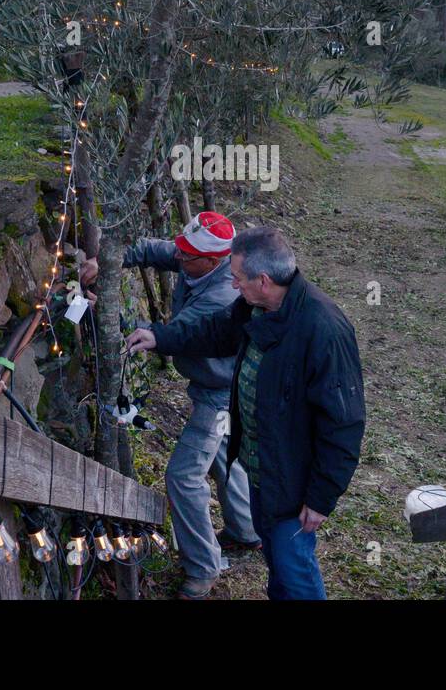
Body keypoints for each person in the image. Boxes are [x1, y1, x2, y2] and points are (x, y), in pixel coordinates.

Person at [126, 226, 364, 600]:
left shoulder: (323, 331)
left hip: (292, 481)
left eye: (237, 278)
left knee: (295, 568)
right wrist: (161, 337)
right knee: (277, 561)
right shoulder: (259, 306)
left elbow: (344, 424)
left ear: (264, 280)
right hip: (261, 467)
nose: (233, 285)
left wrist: (321, 498)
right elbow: (219, 331)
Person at [81, 211, 260, 599]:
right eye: (179, 248)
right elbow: (150, 249)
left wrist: (108, 311)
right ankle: (246, 530)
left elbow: (171, 335)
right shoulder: (194, 257)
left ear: (214, 261)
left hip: (222, 394)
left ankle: (203, 568)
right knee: (225, 454)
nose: (177, 257)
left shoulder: (221, 297)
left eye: (187, 254)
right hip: (215, 384)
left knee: (183, 475)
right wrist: (106, 261)